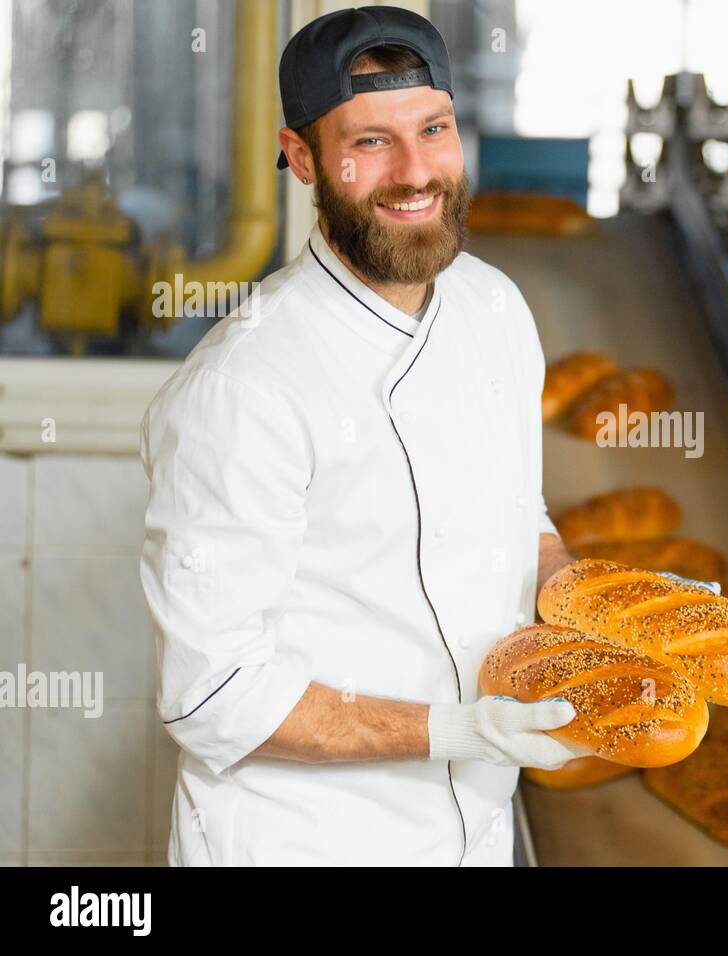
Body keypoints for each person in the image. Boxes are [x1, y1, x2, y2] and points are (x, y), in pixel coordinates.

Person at [138, 6, 586, 866]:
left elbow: (514, 516)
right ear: (302, 158)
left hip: (478, 837)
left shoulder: (495, 307)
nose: (417, 171)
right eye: (372, 141)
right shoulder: (244, 386)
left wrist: (600, 604)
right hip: (305, 845)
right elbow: (212, 694)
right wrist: (462, 729)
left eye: (434, 128)